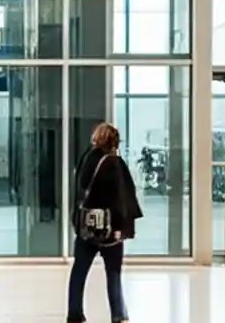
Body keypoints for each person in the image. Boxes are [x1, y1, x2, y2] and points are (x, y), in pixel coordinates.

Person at [67, 122, 143, 323]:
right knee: (113, 272)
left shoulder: (86, 159)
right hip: (109, 228)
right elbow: (120, 198)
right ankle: (118, 314)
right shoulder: (113, 163)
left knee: (79, 271)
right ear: (113, 141)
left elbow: (80, 189)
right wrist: (120, 227)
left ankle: (74, 313)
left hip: (86, 226)